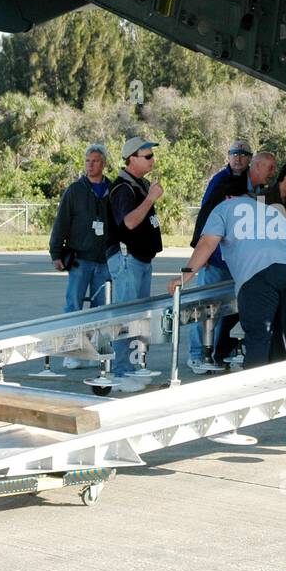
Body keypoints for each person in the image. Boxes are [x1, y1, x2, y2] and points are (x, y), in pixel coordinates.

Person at [169, 194, 286, 367]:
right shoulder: (269, 210)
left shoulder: (223, 208)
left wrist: (184, 277)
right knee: (282, 336)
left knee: (258, 338)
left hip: (259, 274)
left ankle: (256, 389)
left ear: (227, 196)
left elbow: (206, 243)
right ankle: (281, 386)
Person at [186, 139, 254, 372]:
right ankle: (197, 354)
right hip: (215, 260)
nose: (238, 157)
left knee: (232, 310)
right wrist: (200, 254)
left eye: (243, 154)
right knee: (206, 310)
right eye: (234, 153)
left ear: (250, 159)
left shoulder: (253, 184)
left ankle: (221, 353)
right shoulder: (219, 181)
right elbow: (204, 215)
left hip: (238, 262)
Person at [107, 137, 164, 391]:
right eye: (147, 156)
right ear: (132, 159)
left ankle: (133, 367)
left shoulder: (138, 185)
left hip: (141, 259)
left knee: (138, 318)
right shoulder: (123, 189)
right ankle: (121, 372)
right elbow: (128, 222)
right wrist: (150, 198)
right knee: (126, 317)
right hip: (128, 259)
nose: (152, 160)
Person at [49, 143, 114, 313]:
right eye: (87, 161)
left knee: (101, 308)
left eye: (95, 161)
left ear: (104, 164)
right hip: (80, 260)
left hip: (105, 261)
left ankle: (96, 340)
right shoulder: (75, 190)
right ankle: (72, 339)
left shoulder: (113, 189)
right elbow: (61, 222)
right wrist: (56, 253)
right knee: (73, 306)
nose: (90, 165)